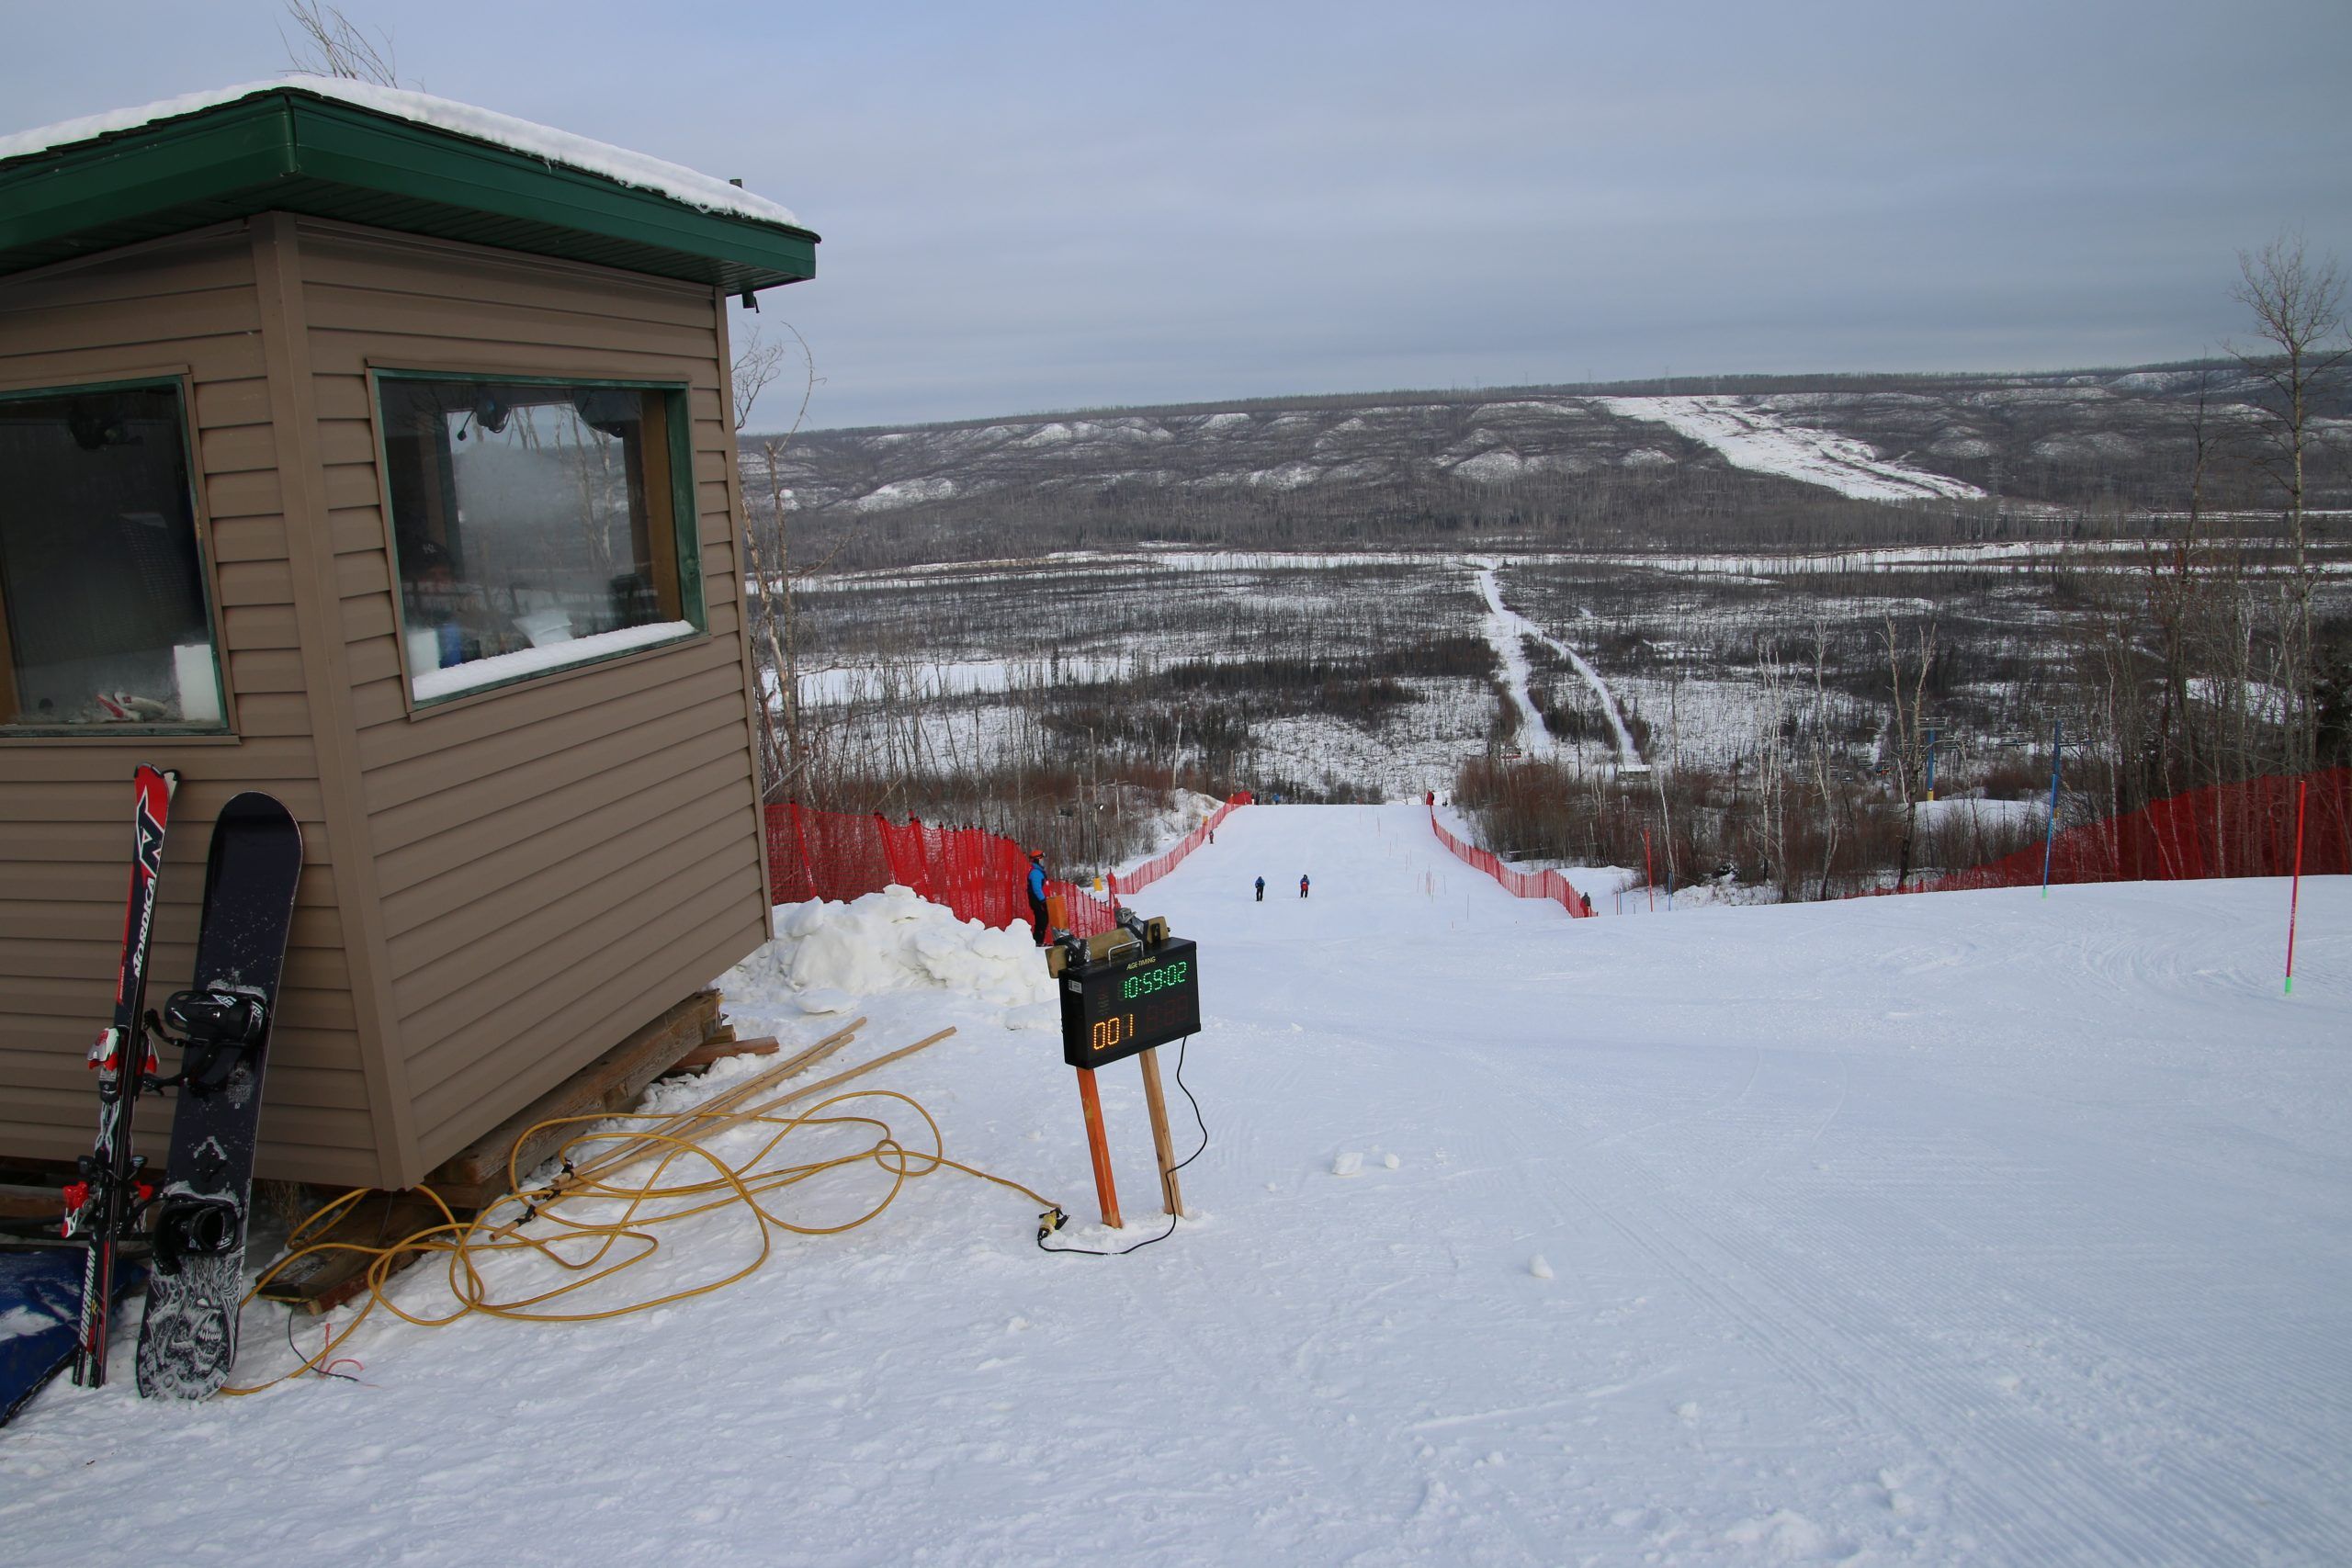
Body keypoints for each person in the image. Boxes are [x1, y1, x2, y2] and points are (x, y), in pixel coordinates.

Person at [1024, 849, 1050, 945]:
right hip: (1037, 901)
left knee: (1043, 920)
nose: (1043, 862)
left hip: (1039, 900)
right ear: (1037, 860)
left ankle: (1039, 941)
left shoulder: (1039, 871)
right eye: (1041, 859)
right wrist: (1043, 901)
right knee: (1042, 920)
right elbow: (1037, 889)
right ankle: (1038, 942)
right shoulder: (1035, 872)